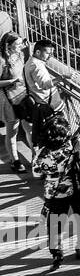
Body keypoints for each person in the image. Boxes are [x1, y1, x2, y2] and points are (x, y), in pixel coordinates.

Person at [34, 111, 80, 271]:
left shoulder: (44, 153)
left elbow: (37, 173)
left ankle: (57, 252)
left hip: (56, 193)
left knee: (56, 222)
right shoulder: (78, 144)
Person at [0, 32, 32, 172]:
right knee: (12, 130)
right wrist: (12, 80)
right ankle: (15, 161)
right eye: (17, 44)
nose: (20, 46)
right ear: (8, 45)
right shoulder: (1, 60)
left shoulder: (20, 55)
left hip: (22, 95)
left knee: (29, 127)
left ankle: (35, 157)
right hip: (8, 98)